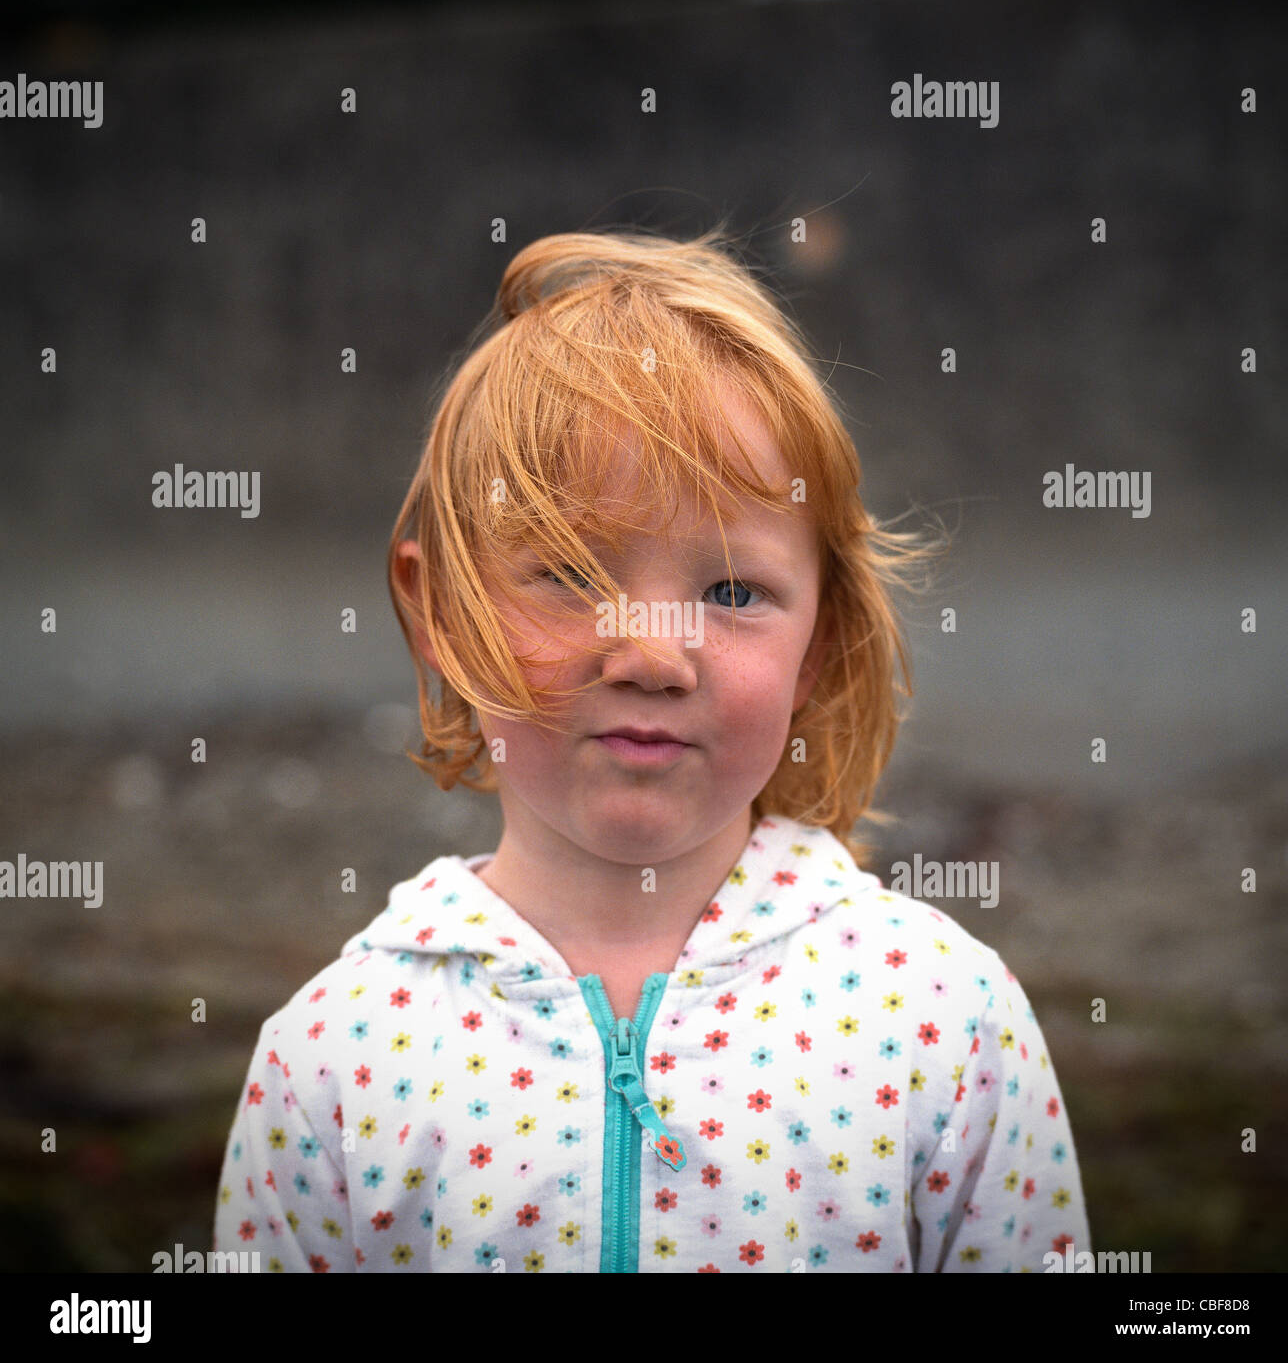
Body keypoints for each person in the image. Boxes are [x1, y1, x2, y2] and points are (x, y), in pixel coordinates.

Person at [213, 226, 1089, 1272]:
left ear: (818, 647)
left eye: (732, 593)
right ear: (440, 606)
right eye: (574, 574)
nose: (653, 654)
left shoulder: (942, 1018)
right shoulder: (335, 1056)